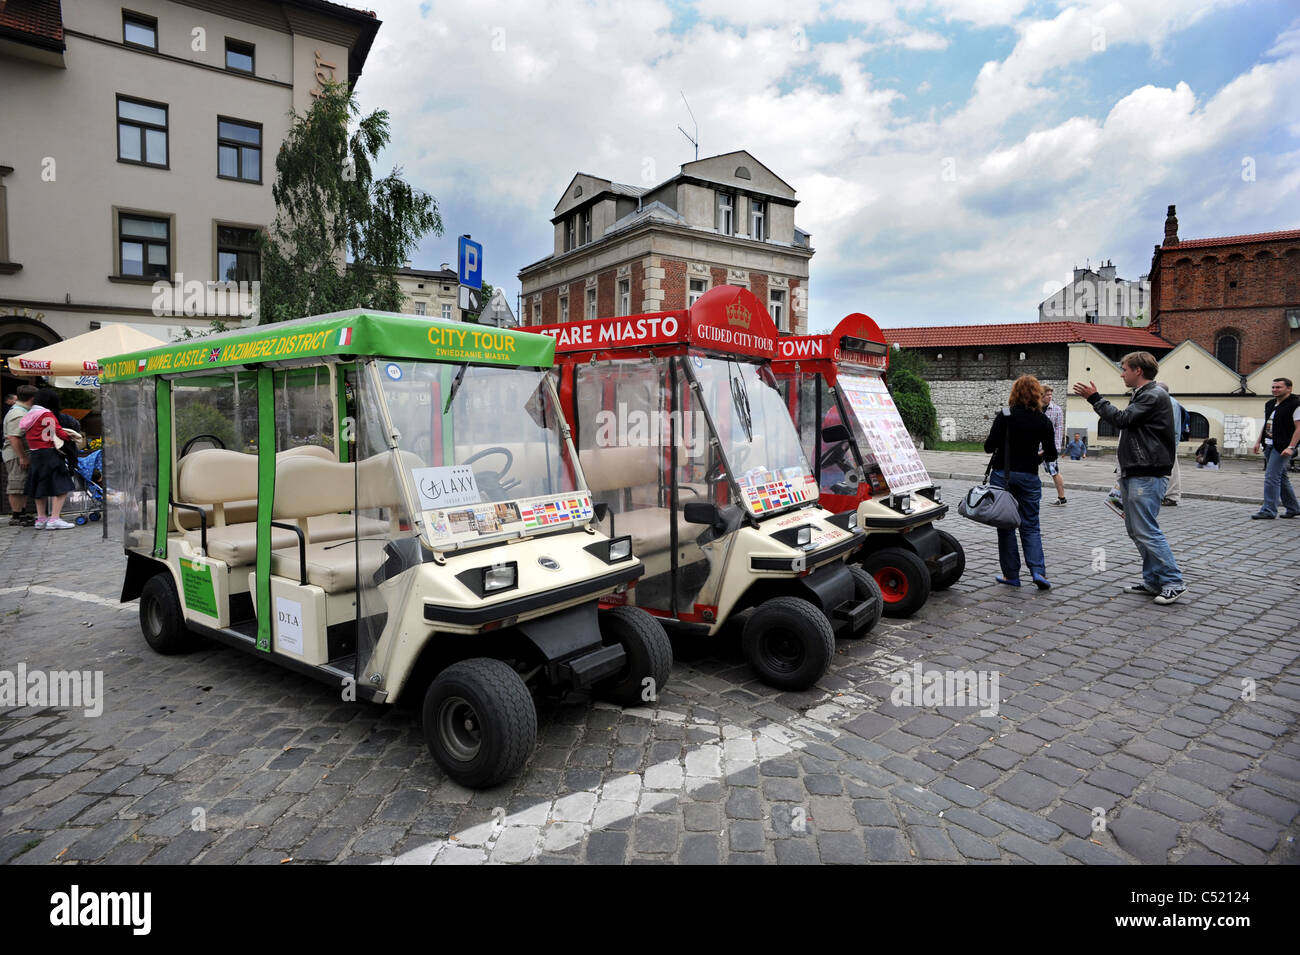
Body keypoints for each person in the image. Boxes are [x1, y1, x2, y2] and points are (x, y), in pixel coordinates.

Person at [1073, 351, 1185, 604]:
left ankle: (1173, 581)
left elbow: (1122, 420)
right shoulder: (1144, 394)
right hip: (1135, 470)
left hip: (1147, 473)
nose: (1122, 373)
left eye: (1124, 369)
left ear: (1138, 371)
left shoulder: (1154, 395)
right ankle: (1154, 581)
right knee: (1137, 530)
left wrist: (1095, 399)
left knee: (1146, 530)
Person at [984, 375, 1056, 589]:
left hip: (1003, 476)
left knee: (1006, 525)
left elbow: (989, 447)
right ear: (1037, 395)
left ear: (1014, 393)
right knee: (1031, 525)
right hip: (1029, 477)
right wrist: (1036, 457)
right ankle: (1038, 572)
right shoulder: (1043, 420)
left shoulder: (1005, 416)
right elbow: (1051, 453)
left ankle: (1011, 575)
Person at [19, 388, 80, 530]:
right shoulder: (46, 414)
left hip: (35, 454)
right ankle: (54, 518)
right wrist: (69, 436)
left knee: (39, 486)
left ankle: (41, 519)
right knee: (62, 485)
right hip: (49, 453)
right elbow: (58, 432)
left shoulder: (30, 414)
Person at [1250, 377, 1300, 519]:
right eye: (1273, 387)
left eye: (1278, 387)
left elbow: (1299, 428)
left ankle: (1269, 510)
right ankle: (1293, 508)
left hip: (1283, 447)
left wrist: (1291, 447)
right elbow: (1267, 424)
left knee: (1271, 477)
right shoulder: (1270, 404)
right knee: (1281, 477)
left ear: (1289, 388)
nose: (1275, 390)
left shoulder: (1295, 405)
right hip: (1269, 445)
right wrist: (1258, 441)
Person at [3, 385, 36, 526]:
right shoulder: (18, 414)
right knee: (16, 483)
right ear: (32, 398)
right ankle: (16, 515)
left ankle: (21, 512)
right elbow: (13, 437)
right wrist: (22, 457)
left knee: (21, 484)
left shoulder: (22, 411)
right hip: (16, 455)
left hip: (20, 453)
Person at [1155, 381, 1184, 506]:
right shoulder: (1172, 402)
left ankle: (1172, 496)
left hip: (1166, 441)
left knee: (1171, 469)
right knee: (1169, 468)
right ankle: (1168, 495)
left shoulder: (1167, 402)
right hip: (1168, 440)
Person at [1039, 386, 1067, 506]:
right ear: (1041, 396)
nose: (1050, 397)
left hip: (1049, 446)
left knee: (1054, 471)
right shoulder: (1035, 408)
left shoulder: (1057, 410)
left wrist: (1056, 447)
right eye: (1047, 395)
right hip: (1034, 445)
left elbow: (1059, 428)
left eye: (1051, 395)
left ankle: (1062, 497)